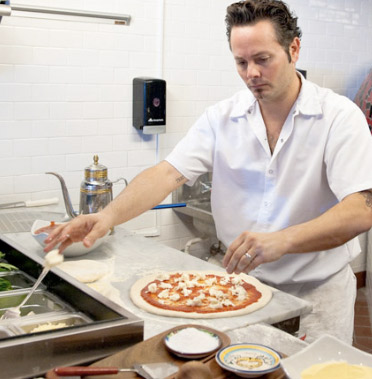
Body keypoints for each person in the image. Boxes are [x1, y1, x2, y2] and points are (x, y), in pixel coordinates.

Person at [42, 0, 372, 344]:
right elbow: (168, 174)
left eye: (263, 59)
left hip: (317, 295)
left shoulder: (338, 118)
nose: (251, 74)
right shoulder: (222, 118)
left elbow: (361, 209)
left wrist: (283, 240)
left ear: (294, 49)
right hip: (240, 287)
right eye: (241, 62)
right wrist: (106, 217)